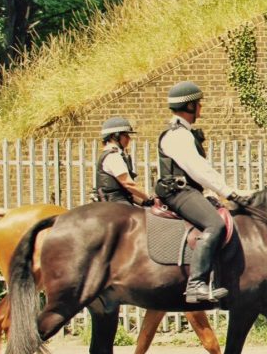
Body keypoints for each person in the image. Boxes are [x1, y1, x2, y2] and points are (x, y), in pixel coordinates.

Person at [155, 81, 251, 303]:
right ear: (189, 107)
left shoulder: (183, 134)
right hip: (178, 192)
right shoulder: (178, 135)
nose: (201, 108)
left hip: (188, 190)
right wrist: (229, 192)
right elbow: (197, 169)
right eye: (198, 104)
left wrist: (213, 194)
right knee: (214, 224)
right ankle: (196, 285)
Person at [96, 116, 151, 205]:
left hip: (117, 200)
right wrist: (148, 198)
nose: (129, 138)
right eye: (125, 135)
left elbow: (125, 193)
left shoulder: (115, 154)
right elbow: (128, 184)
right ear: (115, 136)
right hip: (115, 204)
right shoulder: (113, 156)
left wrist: (144, 202)